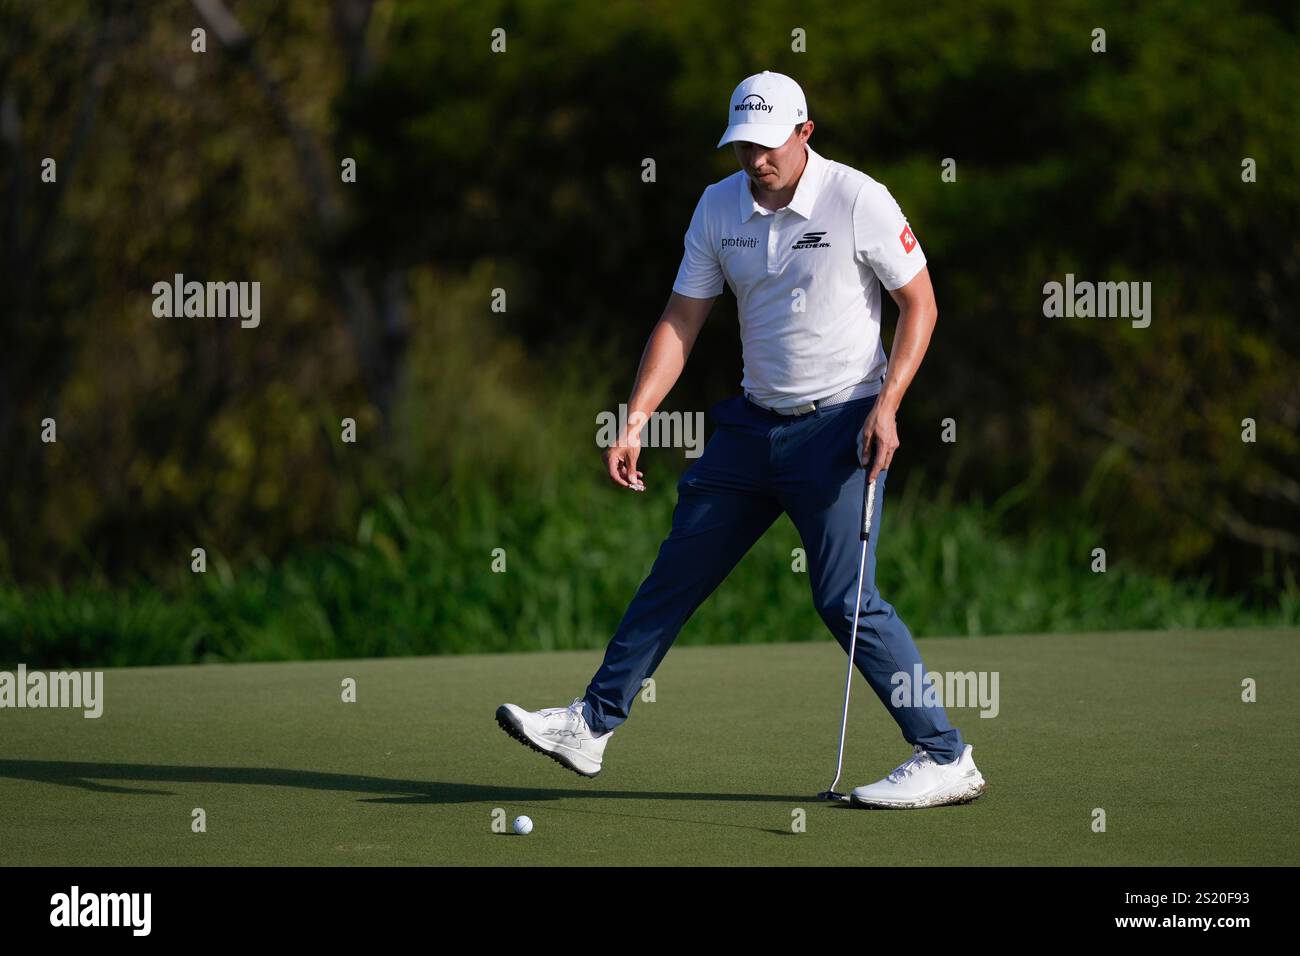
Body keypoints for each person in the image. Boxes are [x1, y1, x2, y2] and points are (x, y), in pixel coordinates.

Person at [497, 71, 986, 808]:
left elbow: (919, 303)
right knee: (677, 570)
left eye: (767, 146)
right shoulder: (717, 206)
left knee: (844, 600)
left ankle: (945, 755)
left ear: (804, 133)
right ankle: (590, 726)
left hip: (842, 424)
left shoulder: (859, 199)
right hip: (752, 428)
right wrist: (636, 417)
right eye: (741, 146)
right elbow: (682, 318)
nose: (755, 160)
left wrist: (889, 406)